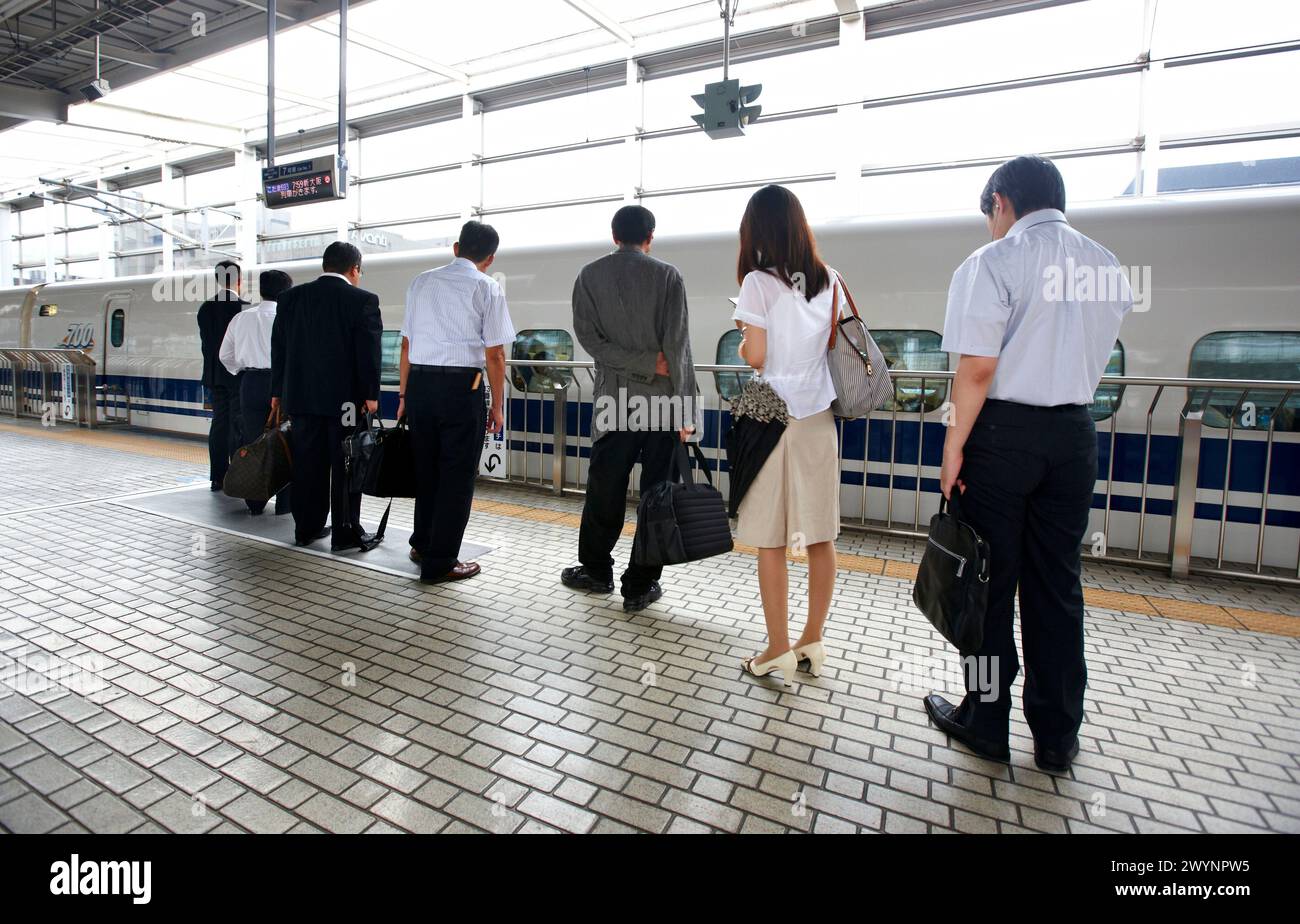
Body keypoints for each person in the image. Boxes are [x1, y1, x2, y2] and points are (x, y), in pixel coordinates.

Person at [925, 155, 1132, 774]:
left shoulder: (992, 263)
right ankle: (1057, 736)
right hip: (1074, 433)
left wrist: (953, 450)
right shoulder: (1106, 264)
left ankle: (986, 719)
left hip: (1002, 437)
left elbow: (978, 369)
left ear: (1000, 203)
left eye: (988, 213)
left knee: (987, 584)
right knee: (1057, 586)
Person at [561, 205, 700, 613]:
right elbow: (679, 348)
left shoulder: (589, 276)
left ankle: (596, 572)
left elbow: (588, 338)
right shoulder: (668, 276)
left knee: (605, 490)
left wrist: (633, 362)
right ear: (650, 236)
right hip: (663, 408)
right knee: (658, 495)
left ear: (614, 234)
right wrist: (689, 412)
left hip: (613, 404)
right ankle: (640, 585)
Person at [730, 185, 841, 687]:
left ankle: (776, 648)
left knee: (770, 539)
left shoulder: (758, 282)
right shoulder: (831, 279)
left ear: (759, 231)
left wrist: (743, 337)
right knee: (820, 534)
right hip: (818, 418)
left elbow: (756, 357)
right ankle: (810, 643)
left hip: (773, 420)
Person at [397, 221, 514, 584]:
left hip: (419, 386)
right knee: (456, 477)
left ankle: (421, 544)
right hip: (463, 390)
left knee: (427, 471)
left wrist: (403, 396)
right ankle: (442, 561)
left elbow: (406, 345)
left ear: (455, 247)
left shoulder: (421, 281)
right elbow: (495, 354)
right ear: (490, 258)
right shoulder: (487, 287)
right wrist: (497, 405)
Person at [270, 242, 383, 551]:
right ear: (355, 269)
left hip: (302, 400)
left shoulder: (290, 299)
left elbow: (278, 350)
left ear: (325, 265)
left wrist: (277, 393)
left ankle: (306, 528)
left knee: (307, 463)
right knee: (347, 462)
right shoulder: (363, 300)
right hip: (346, 403)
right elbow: (369, 354)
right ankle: (345, 532)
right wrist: (371, 397)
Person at [219, 269, 293, 516]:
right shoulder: (289, 317)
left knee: (253, 441)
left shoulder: (241, 318)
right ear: (286, 292)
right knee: (285, 440)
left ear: (261, 290)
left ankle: (255, 502)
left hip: (250, 383)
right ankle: (285, 503)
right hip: (281, 384)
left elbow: (225, 355)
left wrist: (242, 370)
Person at [197, 260, 246, 491]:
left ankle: (217, 476)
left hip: (214, 375)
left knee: (219, 424)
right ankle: (236, 476)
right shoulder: (242, 308)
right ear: (239, 279)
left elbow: (207, 346)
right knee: (237, 426)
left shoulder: (205, 307)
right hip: (236, 376)